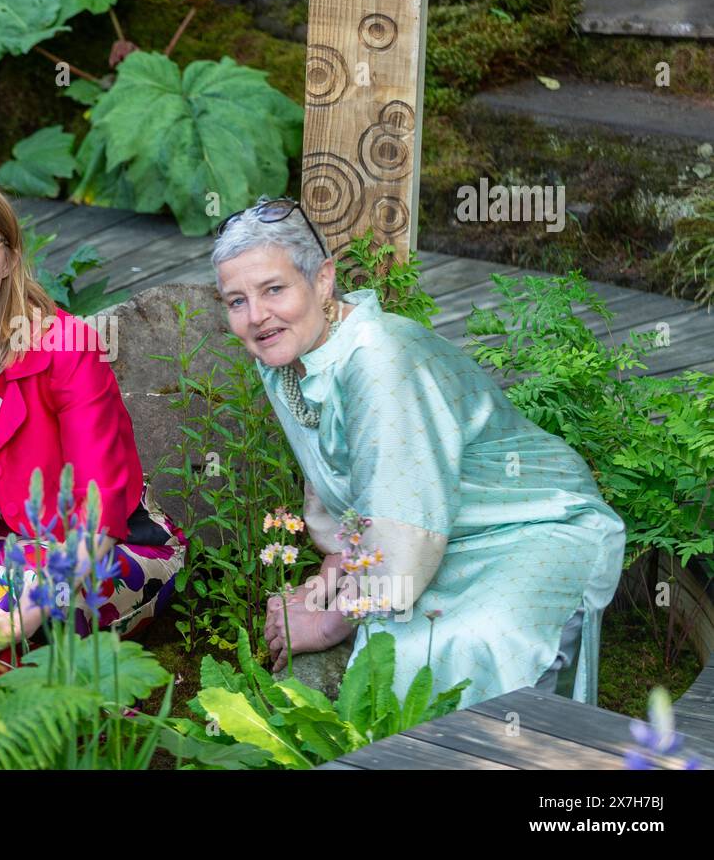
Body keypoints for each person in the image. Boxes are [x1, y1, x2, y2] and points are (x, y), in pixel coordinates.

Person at [213, 195, 626, 708]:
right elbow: (336, 464)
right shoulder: (283, 353)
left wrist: (325, 621)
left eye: (274, 289)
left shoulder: (380, 362)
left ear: (322, 280)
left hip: (533, 522)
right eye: (236, 301)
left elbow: (400, 550)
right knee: (397, 646)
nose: (256, 316)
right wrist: (336, 568)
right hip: (437, 531)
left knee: (474, 640)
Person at [0, 173, 185, 647]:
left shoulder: (65, 347)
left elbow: (98, 514)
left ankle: (45, 710)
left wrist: (26, 612)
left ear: (8, 259)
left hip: (112, 548)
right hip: (1, 538)